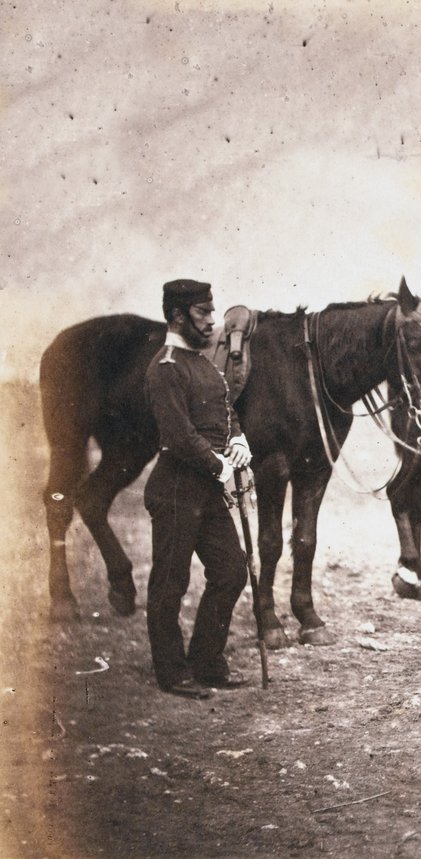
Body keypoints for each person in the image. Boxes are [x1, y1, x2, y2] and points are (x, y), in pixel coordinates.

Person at [143, 279, 253, 699]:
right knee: (171, 582)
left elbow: (224, 411)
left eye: (211, 312)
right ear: (177, 316)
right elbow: (178, 435)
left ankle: (207, 662)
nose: (211, 320)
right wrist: (220, 465)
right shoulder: (167, 367)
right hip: (175, 488)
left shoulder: (203, 362)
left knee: (231, 571)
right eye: (203, 313)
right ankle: (171, 673)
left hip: (206, 488)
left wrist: (239, 440)